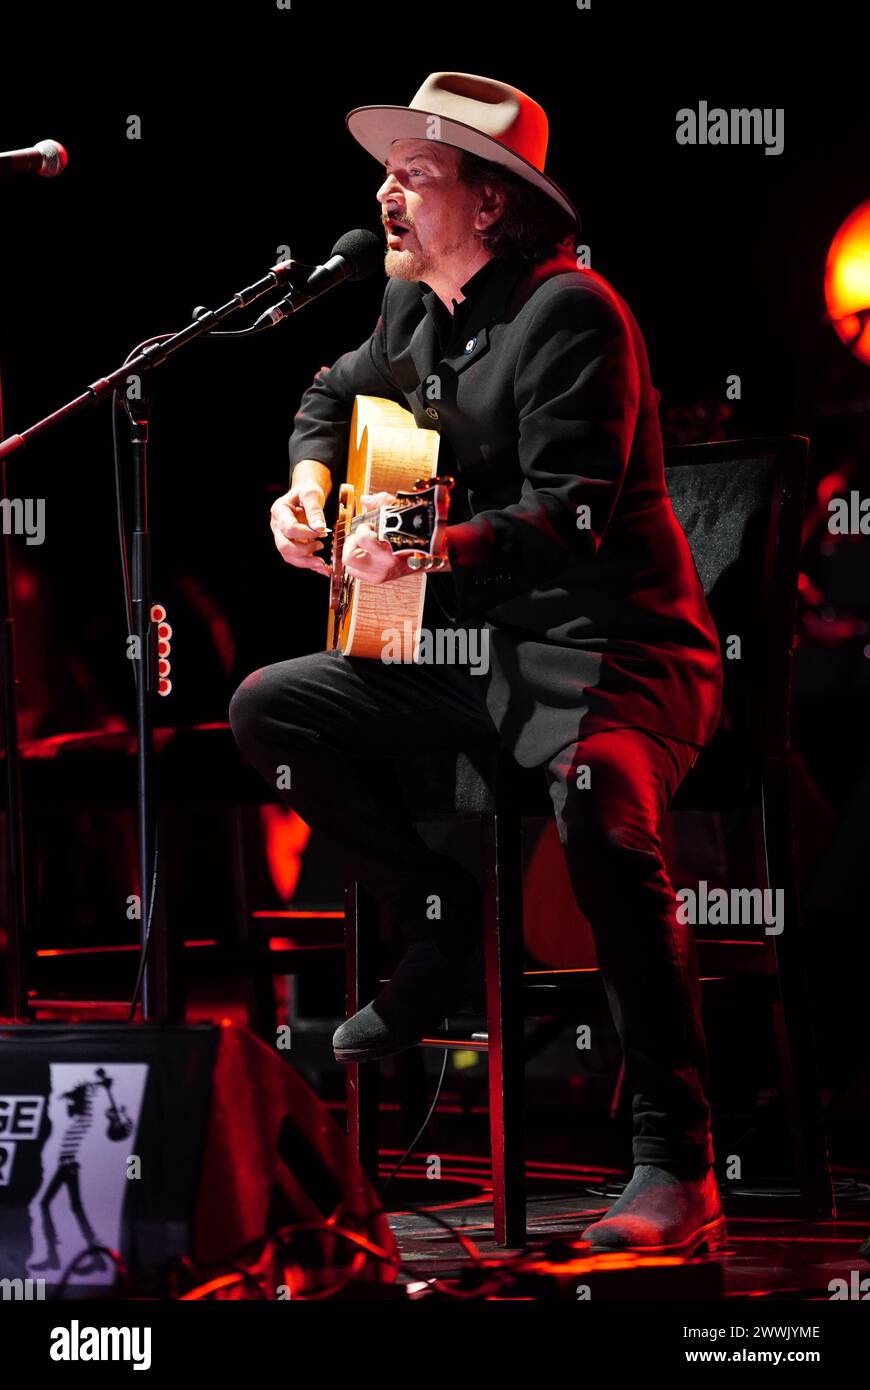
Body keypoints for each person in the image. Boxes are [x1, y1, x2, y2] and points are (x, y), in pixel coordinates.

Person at [230, 71, 727, 1255]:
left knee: (602, 813)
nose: (386, 194)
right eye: (389, 171)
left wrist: (412, 549)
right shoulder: (412, 317)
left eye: (416, 174)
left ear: (492, 205)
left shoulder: (573, 312)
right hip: (484, 656)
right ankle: (441, 917)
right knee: (273, 707)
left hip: (615, 653)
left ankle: (677, 1160)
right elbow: (322, 393)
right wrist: (304, 491)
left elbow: (573, 519)